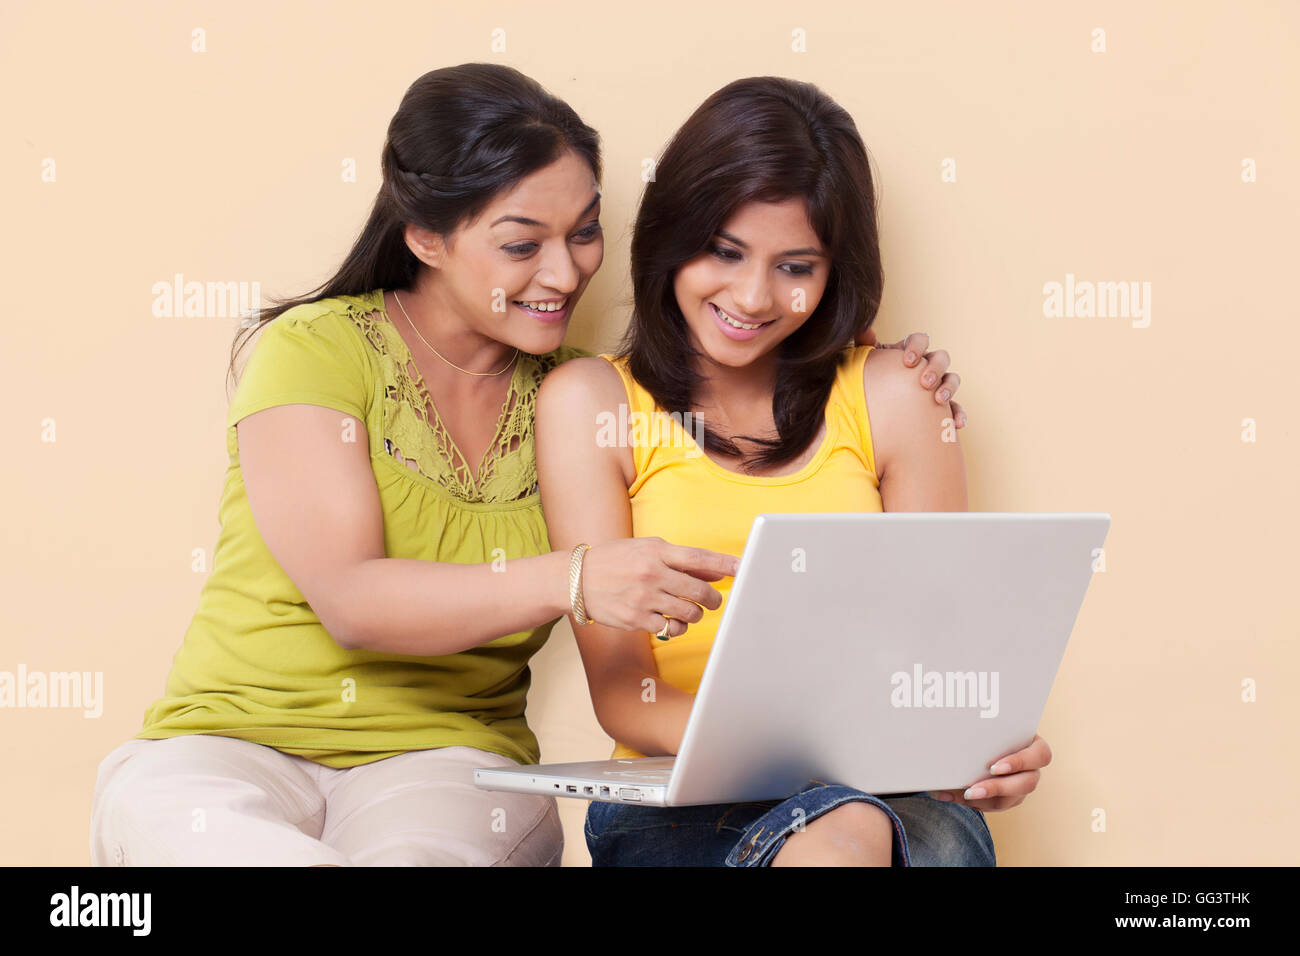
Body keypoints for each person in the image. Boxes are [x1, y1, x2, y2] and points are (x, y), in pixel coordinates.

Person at [89, 63, 967, 867]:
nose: (565, 271)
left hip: (444, 761)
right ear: (426, 237)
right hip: (226, 745)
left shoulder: (568, 395)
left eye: (584, 233)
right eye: (522, 245)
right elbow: (353, 600)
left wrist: (868, 356)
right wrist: (576, 578)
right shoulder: (315, 350)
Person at [535, 75, 1049, 867]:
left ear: (836, 269)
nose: (751, 296)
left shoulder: (896, 394)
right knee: (845, 837)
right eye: (725, 251)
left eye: (795, 266)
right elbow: (624, 696)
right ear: (674, 235)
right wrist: (825, 759)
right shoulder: (591, 402)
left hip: (892, 798)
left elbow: (939, 658)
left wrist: (974, 748)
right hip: (685, 800)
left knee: (858, 829)